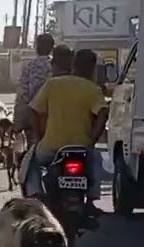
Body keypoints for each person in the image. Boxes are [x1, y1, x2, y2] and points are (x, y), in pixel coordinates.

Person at [24, 48, 108, 223]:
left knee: (30, 162)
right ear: (92, 69)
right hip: (82, 148)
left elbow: (33, 110)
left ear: (73, 65)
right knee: (97, 161)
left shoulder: (53, 84)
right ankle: (91, 200)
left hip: (51, 147)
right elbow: (102, 114)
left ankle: (36, 195)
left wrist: (38, 136)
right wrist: (92, 138)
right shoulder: (93, 89)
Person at [14, 33, 54, 141]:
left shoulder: (29, 66)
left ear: (36, 47)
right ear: (51, 48)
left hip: (32, 119)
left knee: (33, 150)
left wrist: (18, 123)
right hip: (54, 119)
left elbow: (22, 95)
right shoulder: (56, 66)